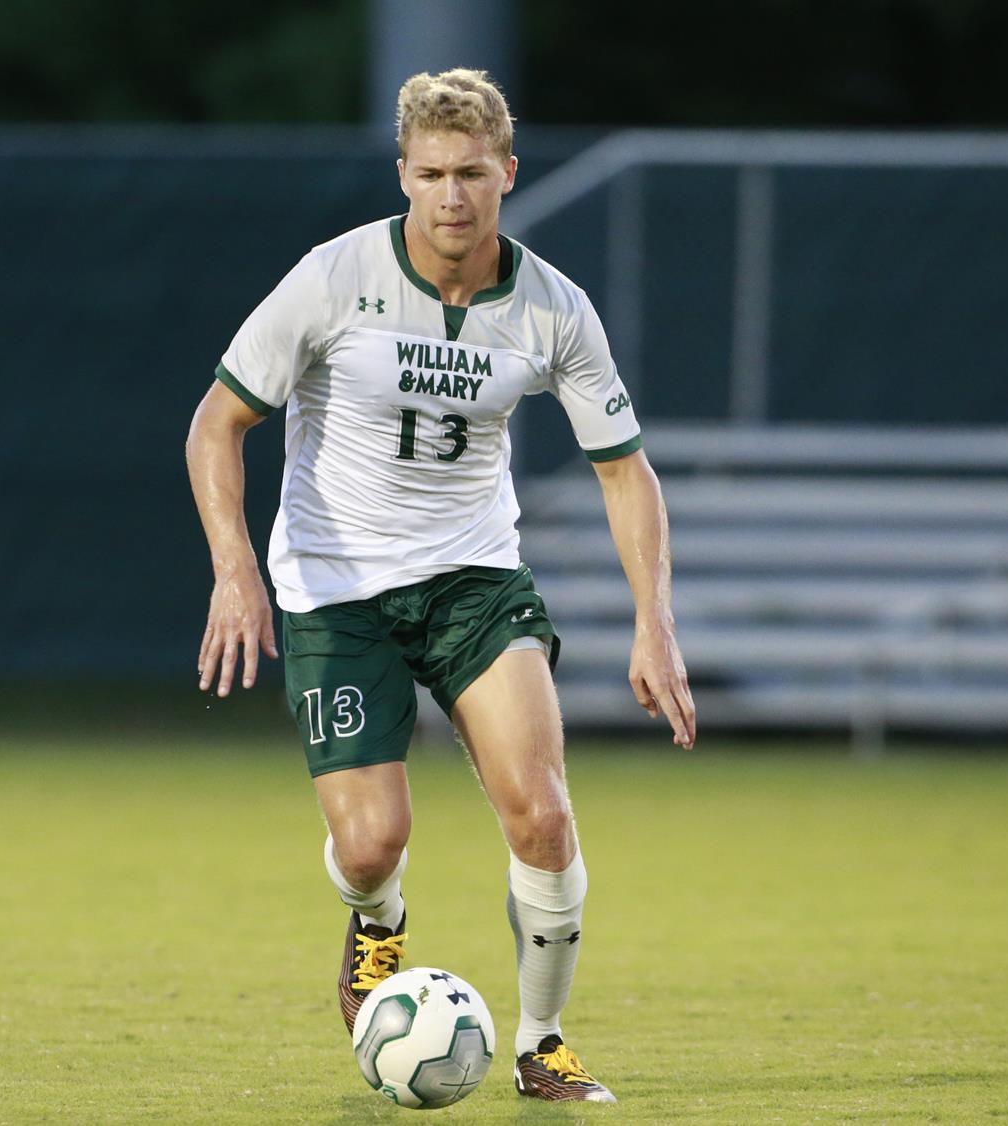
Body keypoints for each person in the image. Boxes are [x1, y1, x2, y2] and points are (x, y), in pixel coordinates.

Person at [185, 68, 695, 1104]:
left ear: (507, 174)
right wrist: (235, 571)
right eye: (429, 174)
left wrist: (655, 625)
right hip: (335, 586)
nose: (450, 196)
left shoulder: (553, 308)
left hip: (473, 579)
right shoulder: (333, 278)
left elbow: (622, 468)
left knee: (542, 816)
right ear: (402, 176)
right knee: (371, 842)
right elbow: (215, 422)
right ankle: (376, 924)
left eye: (471, 173)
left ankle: (541, 1042)